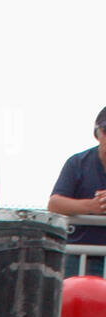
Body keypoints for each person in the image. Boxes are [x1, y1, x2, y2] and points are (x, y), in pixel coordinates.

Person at [47, 107, 106, 278]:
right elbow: (55, 204)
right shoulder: (77, 163)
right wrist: (93, 206)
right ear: (97, 133)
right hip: (80, 255)